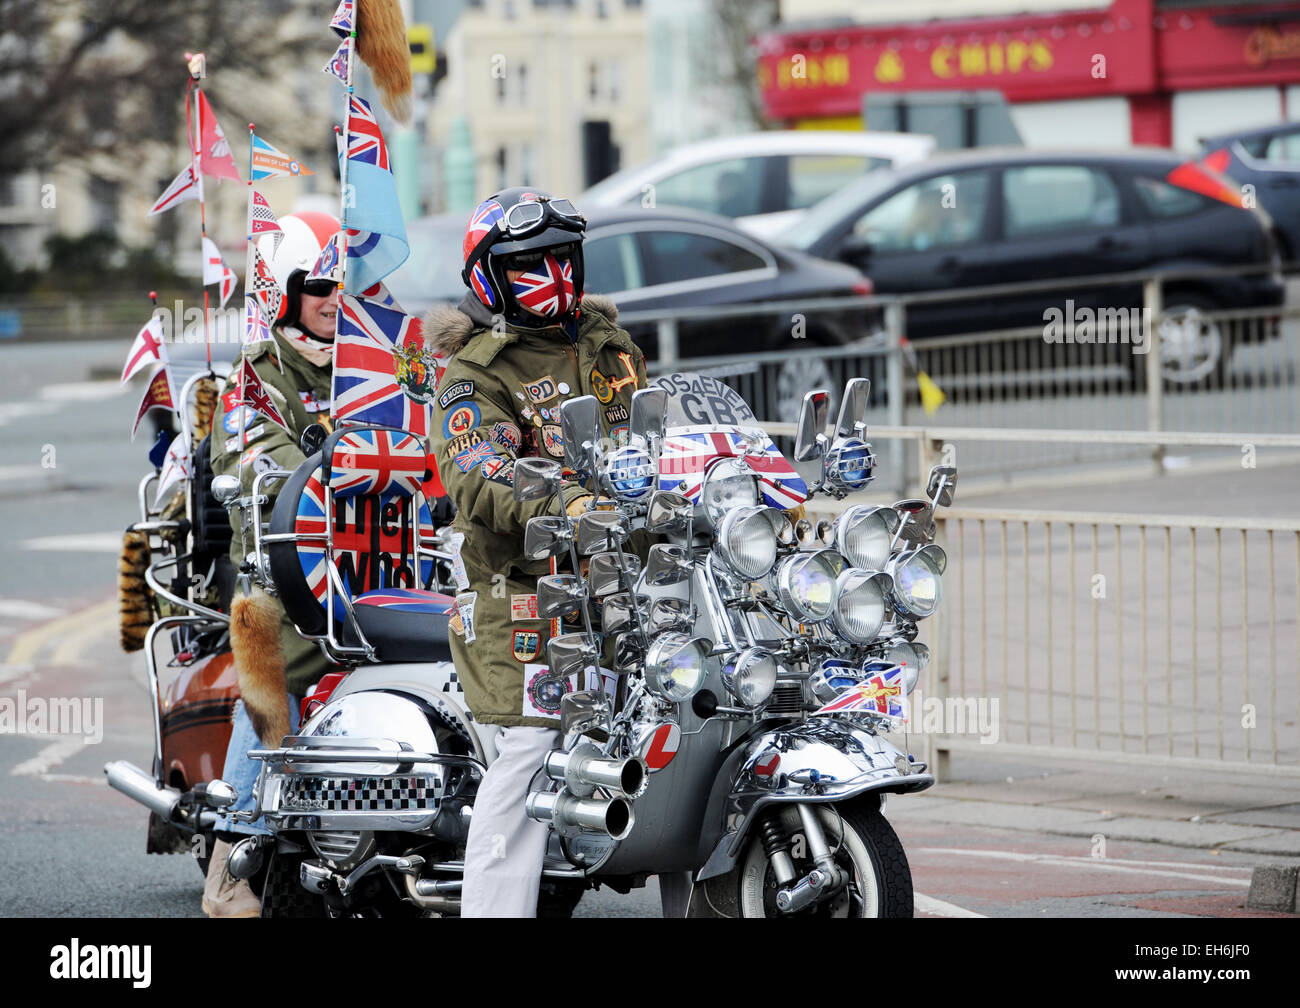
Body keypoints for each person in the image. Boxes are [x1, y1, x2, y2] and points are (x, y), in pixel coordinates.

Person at [426, 187, 647, 917]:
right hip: (525, 597)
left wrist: (737, 476)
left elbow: (654, 432)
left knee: (691, 732)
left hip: (629, 582)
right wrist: (565, 501)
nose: (553, 273)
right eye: (531, 262)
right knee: (527, 759)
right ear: (490, 276)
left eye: (562, 256)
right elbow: (482, 475)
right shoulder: (474, 376)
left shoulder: (607, 345)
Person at [202, 211, 341, 917]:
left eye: (343, 283)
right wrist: (341, 470)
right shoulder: (250, 386)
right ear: (281, 292)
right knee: (270, 678)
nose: (334, 296)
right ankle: (233, 868)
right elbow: (267, 473)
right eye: (318, 283)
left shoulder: (370, 369)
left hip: (382, 568)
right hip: (282, 581)